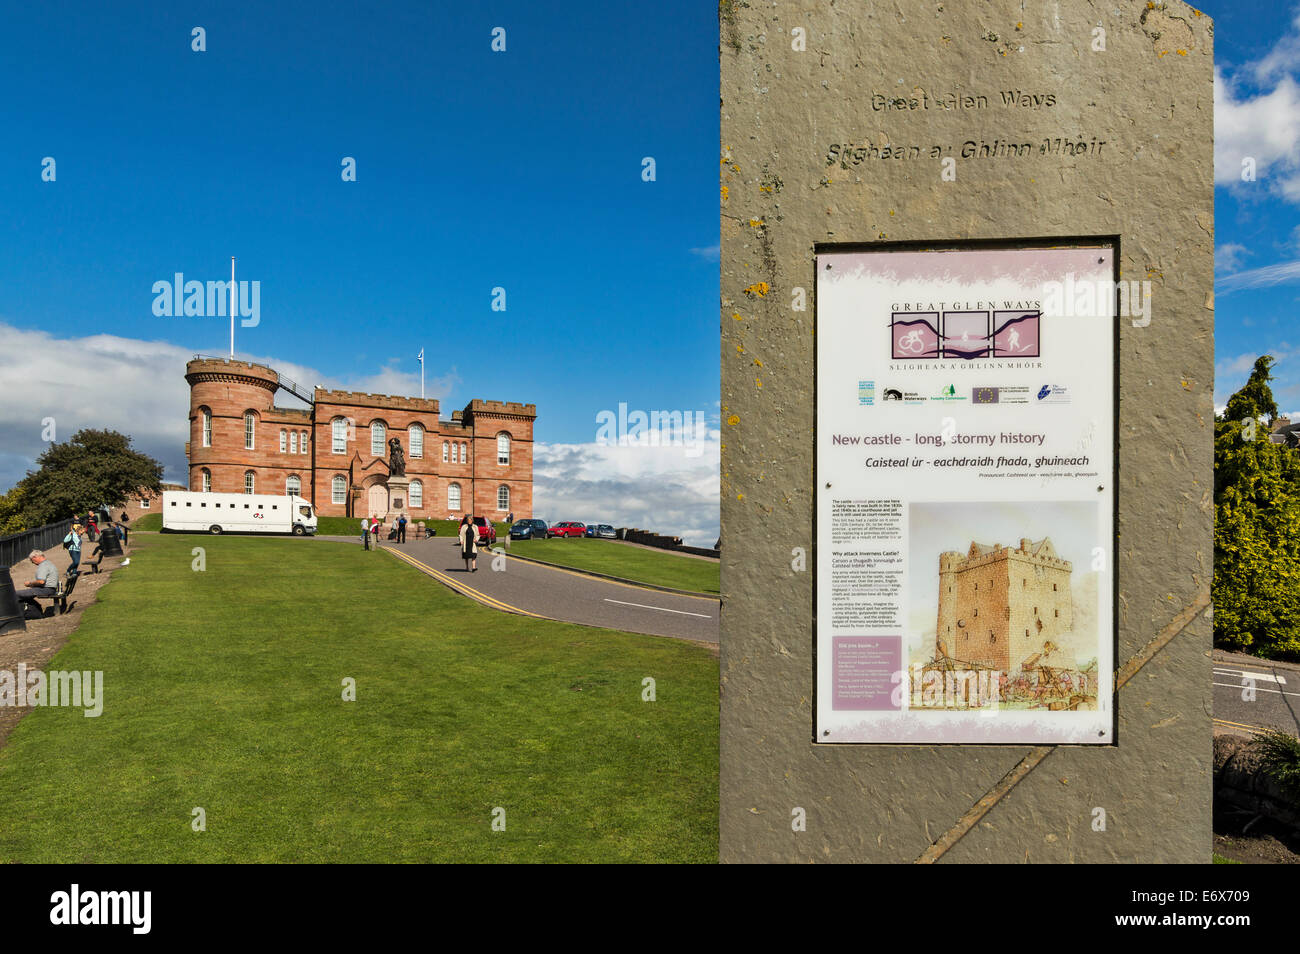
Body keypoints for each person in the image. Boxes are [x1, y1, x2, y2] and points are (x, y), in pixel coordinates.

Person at [16, 550, 59, 619]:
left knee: (16, 594)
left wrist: (30, 583)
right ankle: (35, 610)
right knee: (26, 594)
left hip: (47, 590)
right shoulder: (48, 563)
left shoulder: (43, 566)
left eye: (32, 560)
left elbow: (41, 582)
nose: (32, 562)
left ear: (35, 557)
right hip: (51, 588)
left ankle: (18, 615)